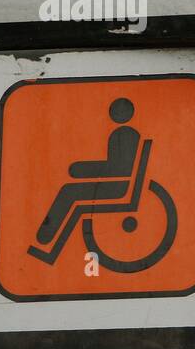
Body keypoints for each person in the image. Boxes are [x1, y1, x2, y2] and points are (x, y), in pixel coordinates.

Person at [34, 98, 139, 246]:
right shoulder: (124, 134)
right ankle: (46, 237)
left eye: (118, 111)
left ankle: (45, 237)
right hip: (116, 183)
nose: (115, 113)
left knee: (69, 192)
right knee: (69, 190)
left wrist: (80, 169)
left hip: (119, 187)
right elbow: (114, 167)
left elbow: (117, 168)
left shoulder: (124, 135)